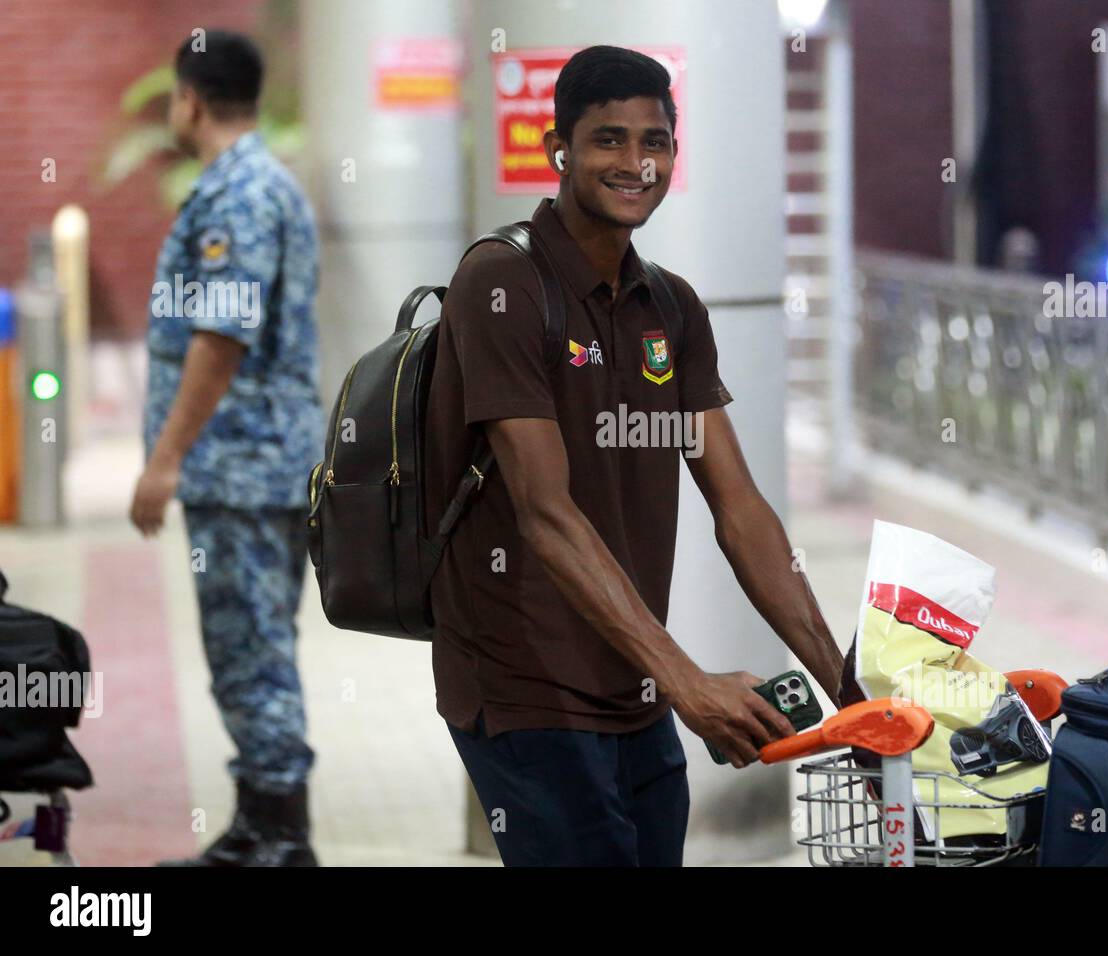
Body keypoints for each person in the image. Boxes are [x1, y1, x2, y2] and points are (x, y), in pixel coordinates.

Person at [426, 45, 844, 867]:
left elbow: (741, 509)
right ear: (561, 150)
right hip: (527, 686)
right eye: (607, 140)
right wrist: (690, 683)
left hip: (634, 679)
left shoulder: (674, 306)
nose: (634, 163)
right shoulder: (501, 285)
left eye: (653, 142)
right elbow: (546, 517)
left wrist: (846, 683)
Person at [130, 30, 324, 866]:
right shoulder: (257, 185)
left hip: (241, 469)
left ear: (191, 100)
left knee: (250, 656)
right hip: (260, 465)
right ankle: (264, 823)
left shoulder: (237, 195)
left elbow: (222, 336)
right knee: (257, 648)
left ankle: (277, 836)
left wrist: (165, 460)